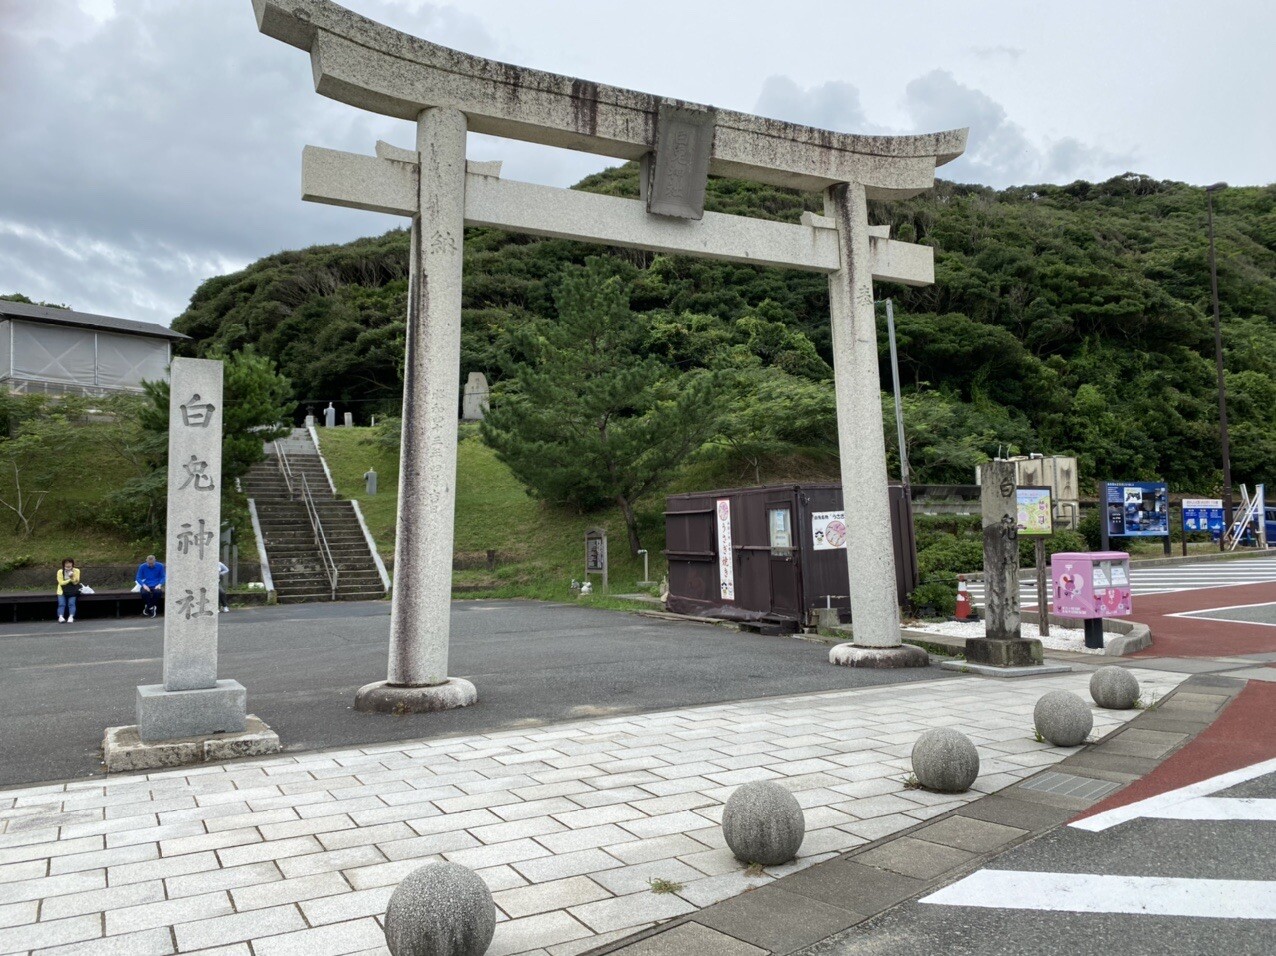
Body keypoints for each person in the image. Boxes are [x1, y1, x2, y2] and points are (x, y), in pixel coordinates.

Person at [56, 558, 81, 623]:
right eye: (66, 563)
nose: (68, 565)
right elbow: (61, 582)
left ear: (72, 564)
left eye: (70, 563)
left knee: (71, 604)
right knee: (61, 604)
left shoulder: (76, 571)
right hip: (61, 590)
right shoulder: (60, 571)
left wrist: (72, 576)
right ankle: (60, 617)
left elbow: (76, 582)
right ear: (63, 564)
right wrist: (70, 580)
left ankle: (71, 616)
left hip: (72, 590)